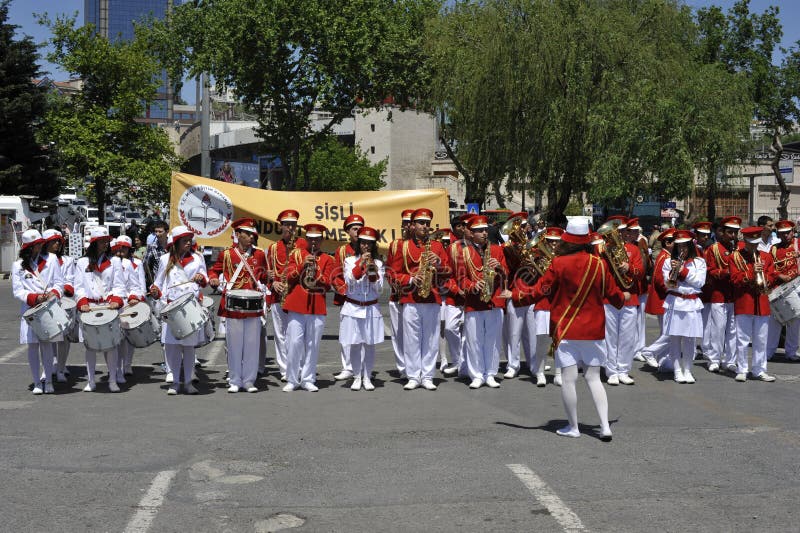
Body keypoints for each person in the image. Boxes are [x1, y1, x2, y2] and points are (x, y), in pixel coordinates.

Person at [529, 218, 629, 440]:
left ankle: (574, 427)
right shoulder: (600, 264)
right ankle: (604, 426)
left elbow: (540, 290)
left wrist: (515, 296)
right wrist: (624, 298)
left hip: (566, 330)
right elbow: (613, 294)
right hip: (593, 330)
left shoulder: (558, 264)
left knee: (569, 378)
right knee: (594, 378)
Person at [387, 208, 451, 391]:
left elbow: (448, 272)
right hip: (410, 298)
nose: (425, 226)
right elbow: (393, 273)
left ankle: (428, 375)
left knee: (431, 339)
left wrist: (439, 262)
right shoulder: (403, 246)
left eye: (427, 224)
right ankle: (413, 375)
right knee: (411, 338)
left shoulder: (437, 247)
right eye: (421, 223)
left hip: (432, 298)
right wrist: (410, 279)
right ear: (413, 225)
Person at [208, 218, 269, 393]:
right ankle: (234, 379)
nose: (251, 237)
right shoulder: (227, 254)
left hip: (253, 306)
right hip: (233, 306)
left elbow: (263, 277)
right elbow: (215, 270)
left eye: (253, 234)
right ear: (238, 234)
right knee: (234, 344)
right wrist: (212, 278)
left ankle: (249, 380)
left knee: (252, 344)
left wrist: (269, 276)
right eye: (248, 234)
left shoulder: (258, 254)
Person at [149, 226, 208, 395]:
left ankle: (188, 382)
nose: (189, 243)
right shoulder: (165, 259)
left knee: (189, 347)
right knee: (172, 347)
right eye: (185, 240)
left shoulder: (198, 258)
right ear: (176, 242)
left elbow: (204, 279)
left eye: (190, 239)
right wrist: (155, 291)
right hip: (172, 307)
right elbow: (158, 283)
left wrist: (200, 279)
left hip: (190, 306)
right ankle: (175, 382)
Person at [453, 215, 509, 388]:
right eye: (479, 231)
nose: (484, 233)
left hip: (494, 301)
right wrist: (472, 285)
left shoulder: (498, 250)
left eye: (485, 230)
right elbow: (460, 278)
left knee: (492, 340)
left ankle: (491, 373)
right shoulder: (465, 252)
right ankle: (476, 374)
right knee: (474, 339)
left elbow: (507, 273)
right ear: (472, 233)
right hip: (474, 302)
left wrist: (499, 268)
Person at [281, 223, 334, 392]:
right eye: (310, 239)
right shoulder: (296, 255)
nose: (313, 243)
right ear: (306, 239)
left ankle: (308, 378)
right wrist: (302, 266)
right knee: (294, 342)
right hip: (297, 304)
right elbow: (288, 277)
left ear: (322, 240)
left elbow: (327, 284)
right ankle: (292, 378)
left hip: (316, 306)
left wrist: (316, 272)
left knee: (313, 344)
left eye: (317, 240)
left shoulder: (327, 259)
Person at [12, 229, 64, 394]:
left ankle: (48, 380)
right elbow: (17, 291)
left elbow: (59, 283)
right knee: (32, 346)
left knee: (47, 345)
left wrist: (52, 294)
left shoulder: (52, 259)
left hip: (48, 308)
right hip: (30, 310)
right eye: (36, 245)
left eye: (40, 244)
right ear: (28, 247)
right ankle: (36, 382)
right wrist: (34, 297)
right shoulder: (18, 266)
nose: (39, 247)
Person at [74, 227, 126, 392]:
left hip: (109, 307)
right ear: (94, 243)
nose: (105, 244)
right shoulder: (82, 262)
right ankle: (91, 381)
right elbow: (79, 287)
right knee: (90, 346)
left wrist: (116, 301)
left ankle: (112, 379)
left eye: (107, 241)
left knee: (111, 345)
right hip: (89, 308)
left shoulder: (115, 261)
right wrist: (82, 302)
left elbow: (119, 286)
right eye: (102, 241)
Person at [729, 226, 778, 382]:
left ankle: (759, 370)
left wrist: (765, 279)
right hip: (744, 302)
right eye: (751, 243)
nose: (754, 246)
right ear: (745, 241)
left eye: (757, 243)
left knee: (761, 338)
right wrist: (752, 273)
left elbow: (772, 275)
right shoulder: (735, 257)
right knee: (742, 338)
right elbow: (735, 279)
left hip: (761, 302)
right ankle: (742, 369)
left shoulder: (766, 256)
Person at [339, 226, 385, 391]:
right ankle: (357, 377)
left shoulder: (378, 263)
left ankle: (367, 377)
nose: (366, 246)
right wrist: (361, 264)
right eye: (363, 243)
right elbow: (350, 281)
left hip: (371, 308)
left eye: (369, 244)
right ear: (359, 244)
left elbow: (379, 288)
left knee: (369, 344)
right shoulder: (350, 261)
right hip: (352, 307)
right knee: (355, 344)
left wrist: (372, 268)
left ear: (373, 246)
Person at [602, 216, 644, 386]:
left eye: (623, 231)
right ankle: (611, 370)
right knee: (610, 336)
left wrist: (629, 268)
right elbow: (603, 273)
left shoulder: (633, 250)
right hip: (610, 298)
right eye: (618, 232)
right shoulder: (604, 250)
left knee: (627, 337)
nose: (621, 235)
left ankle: (623, 370)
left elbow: (640, 272)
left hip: (630, 297)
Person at [661, 230, 707, 383]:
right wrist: (673, 271)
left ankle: (687, 370)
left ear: (690, 247)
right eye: (679, 247)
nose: (682, 250)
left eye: (685, 246)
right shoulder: (668, 262)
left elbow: (700, 282)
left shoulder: (699, 262)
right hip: (675, 302)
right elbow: (667, 284)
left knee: (690, 340)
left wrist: (684, 271)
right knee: (675, 339)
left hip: (692, 303)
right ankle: (677, 370)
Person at [266, 210, 306, 381]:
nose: (290, 228)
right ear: (280, 226)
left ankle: (300, 367)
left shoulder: (303, 244)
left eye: (293, 224)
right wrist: (274, 283)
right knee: (280, 334)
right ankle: (285, 370)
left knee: (297, 334)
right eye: (287, 224)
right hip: (278, 295)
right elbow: (268, 273)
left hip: (297, 295)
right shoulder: (273, 248)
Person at [703, 217, 741, 373]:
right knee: (718, 328)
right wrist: (725, 273)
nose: (733, 236)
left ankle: (730, 360)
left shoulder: (739, 249)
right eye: (730, 232)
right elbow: (709, 270)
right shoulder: (714, 249)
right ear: (723, 233)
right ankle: (714, 359)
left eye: (735, 233)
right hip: (719, 294)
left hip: (735, 295)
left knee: (733, 330)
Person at [331, 213, 365, 383]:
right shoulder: (341, 251)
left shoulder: (368, 248)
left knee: (364, 334)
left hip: (366, 298)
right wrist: (343, 289)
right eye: (354, 229)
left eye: (360, 228)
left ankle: (363, 367)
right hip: (347, 298)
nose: (357, 231)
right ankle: (348, 367)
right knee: (347, 333)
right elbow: (335, 274)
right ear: (347, 231)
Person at [112, 236, 147, 379]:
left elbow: (141, 286)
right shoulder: (112, 263)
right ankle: (116, 367)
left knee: (129, 337)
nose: (122, 251)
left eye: (124, 248)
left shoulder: (136, 263)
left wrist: (137, 298)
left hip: (131, 302)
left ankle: (127, 364)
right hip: (115, 302)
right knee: (117, 337)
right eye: (119, 248)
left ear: (129, 249)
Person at [43, 228, 75, 382]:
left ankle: (61, 367)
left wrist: (64, 288)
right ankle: (49, 366)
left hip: (63, 301)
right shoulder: (39, 260)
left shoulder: (67, 260)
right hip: (45, 301)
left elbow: (70, 280)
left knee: (64, 338)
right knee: (48, 336)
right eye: (54, 241)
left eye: (59, 241)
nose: (57, 244)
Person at [386, 209, 415, 378]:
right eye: (404, 223)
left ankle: (414, 365)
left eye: (409, 223)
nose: (406, 227)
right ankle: (403, 367)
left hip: (417, 297)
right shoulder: (396, 244)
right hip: (397, 295)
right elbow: (390, 269)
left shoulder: (420, 245)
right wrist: (394, 283)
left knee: (414, 334)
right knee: (398, 333)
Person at [770, 220, 800, 361]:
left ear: (793, 232)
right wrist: (780, 276)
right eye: (782, 234)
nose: (785, 236)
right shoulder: (774, 248)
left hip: (797, 286)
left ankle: (791, 352)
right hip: (780, 287)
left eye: (788, 233)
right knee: (775, 319)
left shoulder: (798, 244)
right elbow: (770, 268)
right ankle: (768, 352)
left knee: (795, 319)